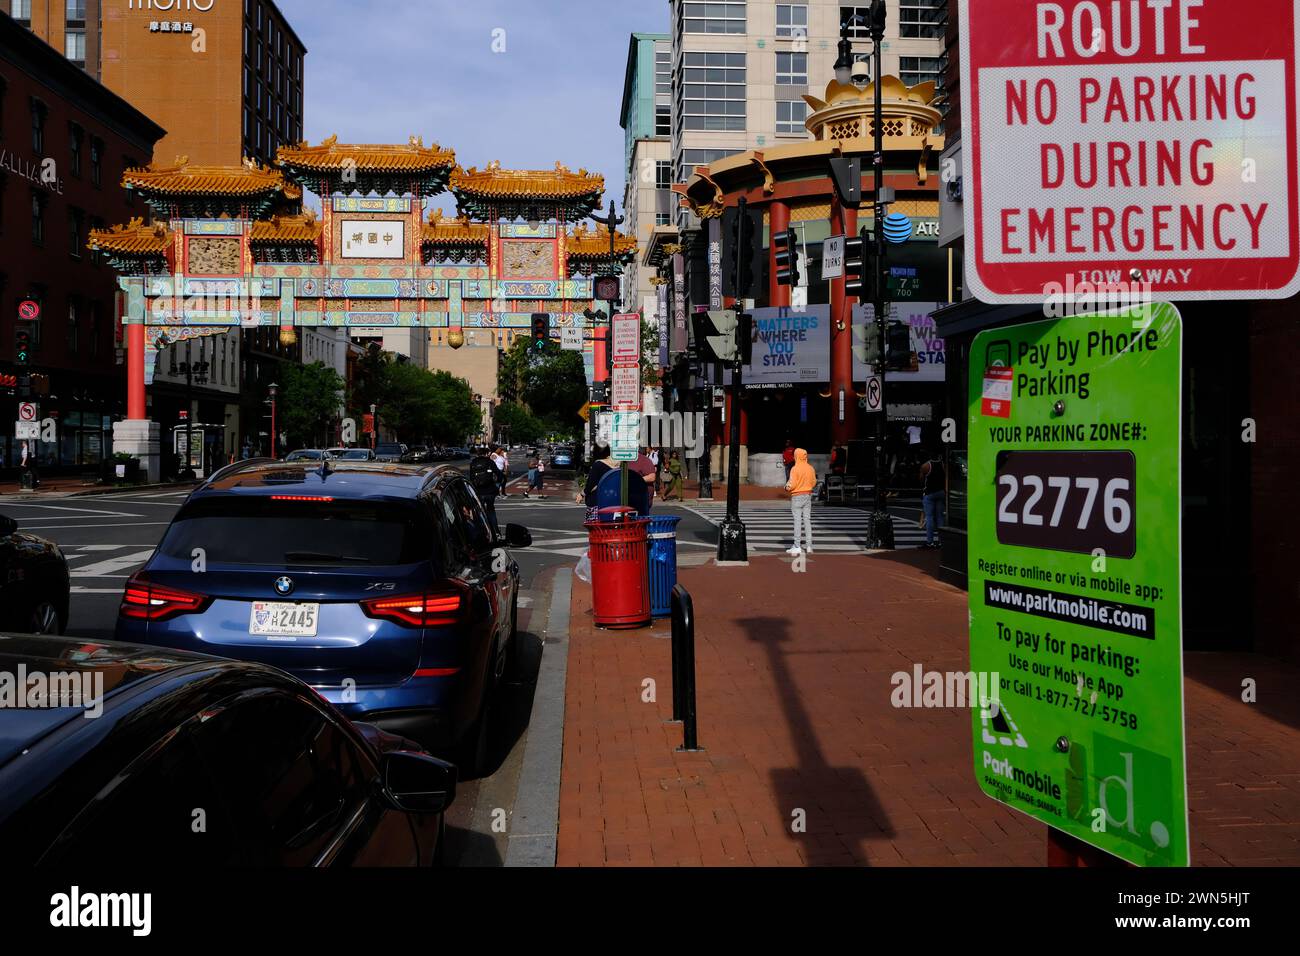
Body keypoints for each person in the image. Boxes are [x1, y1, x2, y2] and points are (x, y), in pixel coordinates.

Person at [575, 444, 617, 523]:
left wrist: (581, 494)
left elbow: (590, 484)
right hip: (613, 503)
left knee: (596, 530)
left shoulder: (598, 465)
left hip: (597, 503)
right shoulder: (619, 465)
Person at [785, 447, 816, 555]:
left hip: (797, 496)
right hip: (808, 495)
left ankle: (797, 545)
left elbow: (791, 484)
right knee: (807, 520)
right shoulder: (810, 468)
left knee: (797, 520)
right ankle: (809, 546)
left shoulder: (795, 468)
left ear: (796, 456)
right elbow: (813, 482)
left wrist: (787, 487)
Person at [469, 449, 503, 535]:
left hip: (478, 491)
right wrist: (497, 484)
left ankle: (480, 531)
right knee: (491, 510)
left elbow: (471, 478)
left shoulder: (473, 463)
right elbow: (499, 474)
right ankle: (495, 531)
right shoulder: (489, 462)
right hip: (490, 490)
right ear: (486, 454)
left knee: (479, 511)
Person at [920, 450, 947, 549]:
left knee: (929, 517)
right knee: (940, 517)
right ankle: (941, 542)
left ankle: (930, 542)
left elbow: (921, 480)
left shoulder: (925, 466)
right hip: (941, 492)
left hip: (929, 493)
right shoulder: (943, 465)